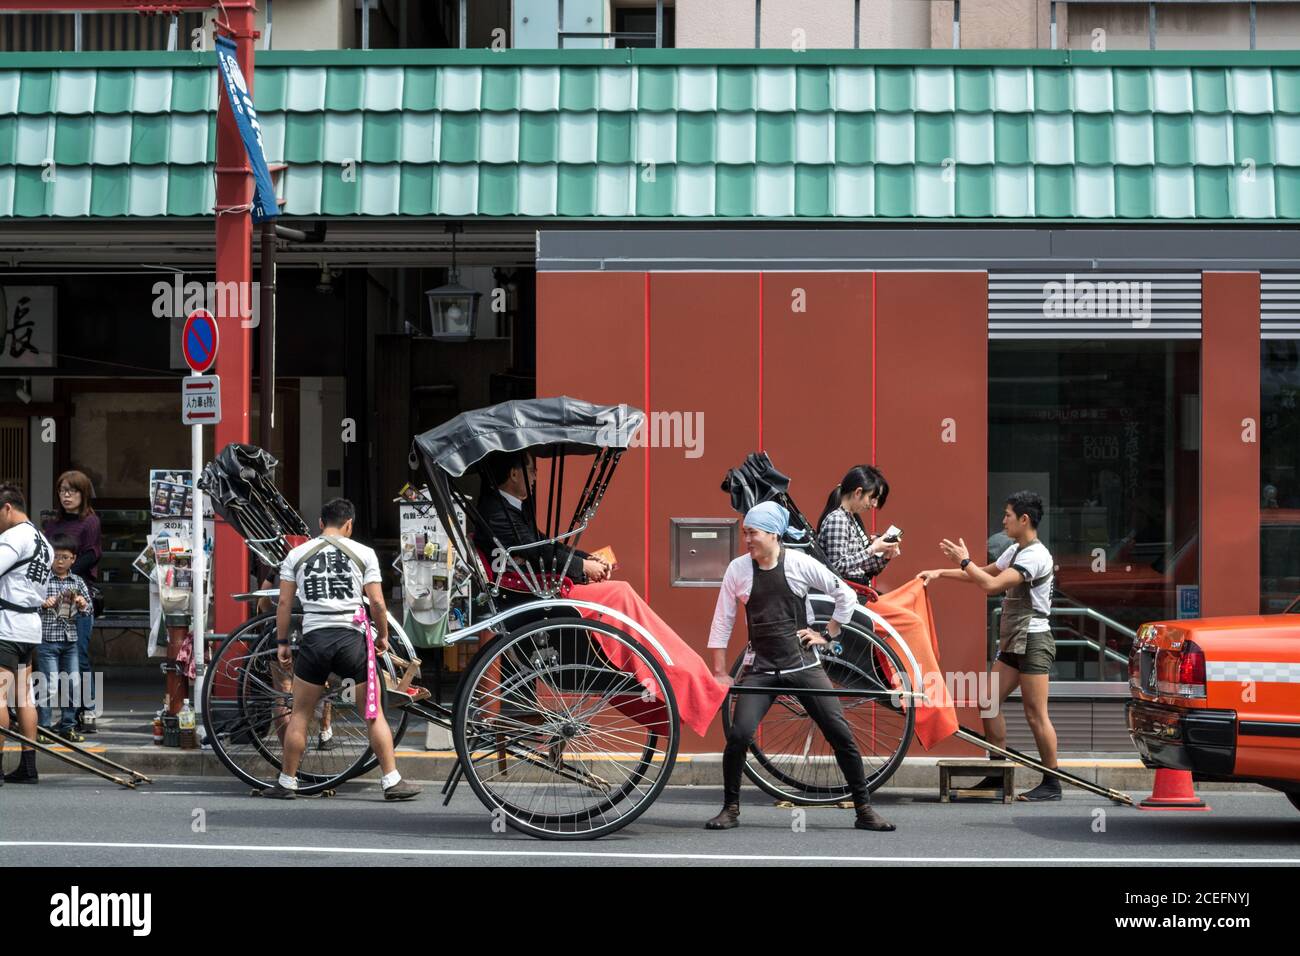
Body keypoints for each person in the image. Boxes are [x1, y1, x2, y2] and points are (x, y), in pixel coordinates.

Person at [705, 501, 895, 832]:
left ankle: (864, 809)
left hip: (802, 665)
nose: (747, 539)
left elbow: (845, 596)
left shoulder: (798, 563)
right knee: (739, 735)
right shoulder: (738, 569)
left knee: (840, 734)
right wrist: (720, 671)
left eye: (753, 533)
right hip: (761, 669)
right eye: (745, 532)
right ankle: (730, 808)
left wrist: (827, 634)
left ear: (774, 534)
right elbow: (723, 619)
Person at [262, 498, 420, 801]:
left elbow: (282, 603)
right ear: (349, 525)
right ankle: (391, 781)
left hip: (315, 640)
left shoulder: (296, 554)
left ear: (320, 524)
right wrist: (383, 637)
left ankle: (286, 782)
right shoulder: (364, 553)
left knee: (301, 714)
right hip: (352, 640)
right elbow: (377, 603)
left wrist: (282, 643)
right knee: (372, 715)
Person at [917, 490, 1061, 801]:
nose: (1003, 520)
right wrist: (941, 572)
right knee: (988, 700)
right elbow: (984, 574)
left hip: (1034, 639)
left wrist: (965, 560)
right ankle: (997, 772)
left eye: (1008, 515)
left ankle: (1052, 782)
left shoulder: (1036, 556)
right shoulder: (1015, 550)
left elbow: (991, 586)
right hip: (1012, 639)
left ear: (1025, 520)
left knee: (1035, 712)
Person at [0, 485, 56, 786]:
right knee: (24, 696)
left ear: (8, 508)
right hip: (30, 627)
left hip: (6, 625)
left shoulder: (12, 538)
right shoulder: (43, 541)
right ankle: (28, 766)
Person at [42, 470, 101, 734]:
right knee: (56, 659)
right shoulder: (52, 525)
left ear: (83, 494)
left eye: (73, 491)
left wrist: (66, 577)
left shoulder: (90, 522)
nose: (67, 496)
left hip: (78, 599)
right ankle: (66, 716)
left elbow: (91, 556)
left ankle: (86, 712)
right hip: (52, 601)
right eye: (63, 490)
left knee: (80, 658)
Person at [35, 536, 92, 743]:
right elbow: (29, 605)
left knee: (73, 685)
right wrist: (42, 604)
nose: (59, 561)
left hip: (70, 641)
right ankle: (44, 728)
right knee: (48, 685)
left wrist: (83, 604)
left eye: (64, 557)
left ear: (73, 559)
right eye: (56, 556)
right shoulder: (42, 580)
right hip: (47, 640)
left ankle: (68, 726)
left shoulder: (77, 582)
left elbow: (89, 611)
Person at [816, 464, 900, 588]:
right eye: (871, 498)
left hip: (854, 590)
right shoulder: (838, 519)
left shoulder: (849, 518)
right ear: (858, 492)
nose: (874, 504)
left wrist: (885, 556)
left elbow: (859, 565)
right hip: (847, 593)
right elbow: (837, 566)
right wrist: (873, 549)